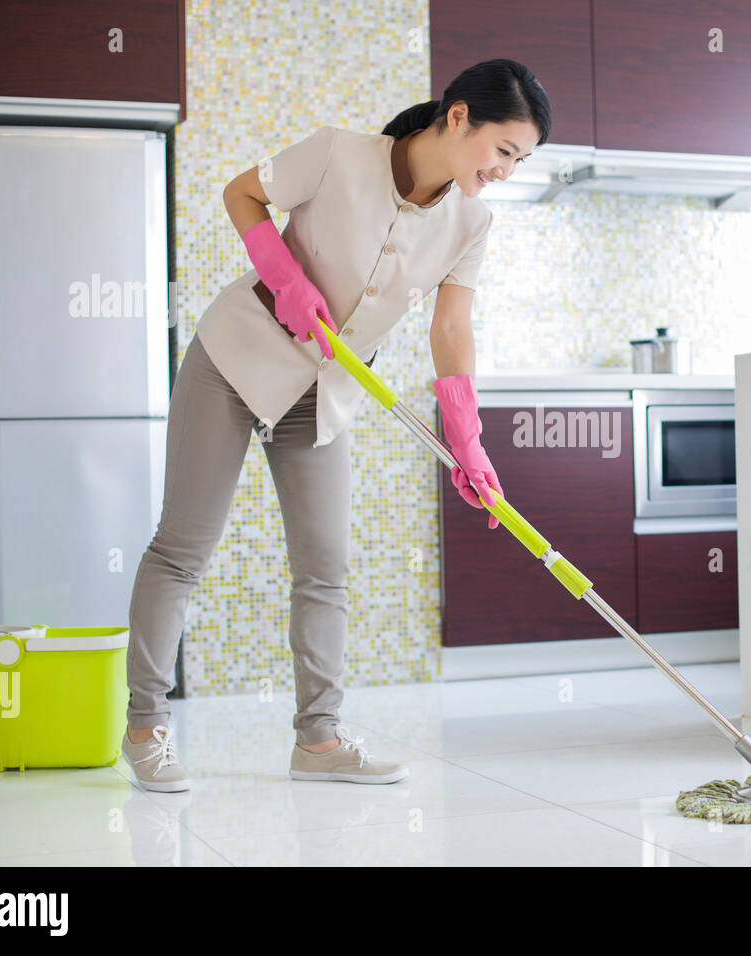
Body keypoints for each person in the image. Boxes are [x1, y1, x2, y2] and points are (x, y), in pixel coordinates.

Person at [121, 59, 552, 792]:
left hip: (321, 392)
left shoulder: (471, 223)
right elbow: (243, 193)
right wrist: (286, 281)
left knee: (325, 569)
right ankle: (145, 729)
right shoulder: (338, 152)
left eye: (522, 159)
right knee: (183, 548)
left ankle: (317, 744)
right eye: (505, 150)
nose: (509, 170)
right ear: (458, 118)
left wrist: (468, 444)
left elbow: (451, 331)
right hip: (233, 355)